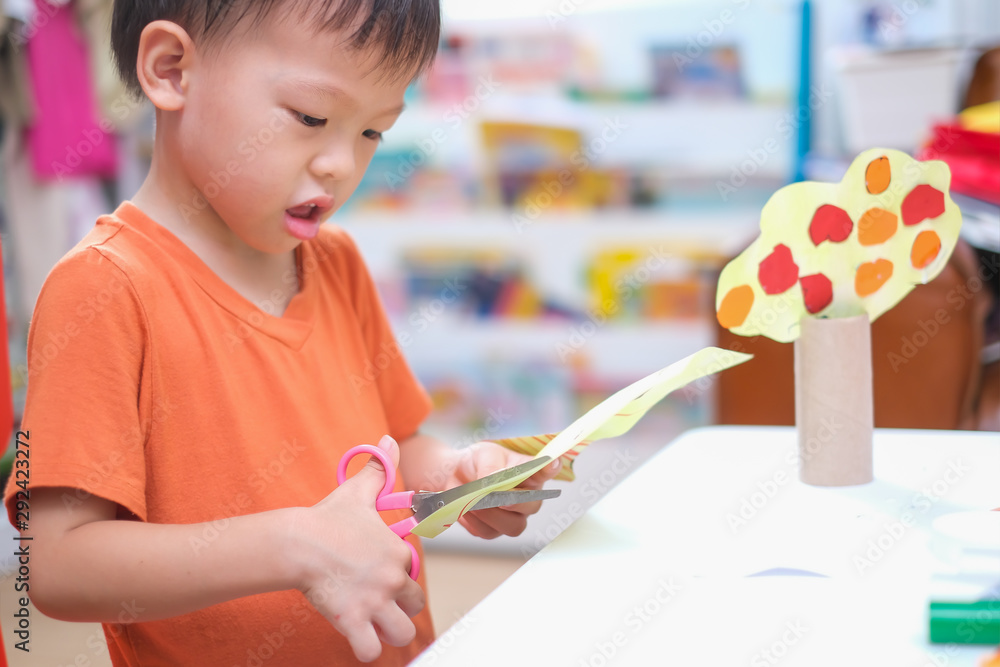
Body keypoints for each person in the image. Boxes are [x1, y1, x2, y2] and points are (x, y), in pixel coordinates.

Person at [2, 1, 561, 664]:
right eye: (312, 117)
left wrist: (461, 476)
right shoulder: (104, 288)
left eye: (372, 132)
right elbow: (59, 564)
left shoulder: (338, 263)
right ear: (172, 70)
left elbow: (400, 444)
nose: (340, 165)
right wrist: (295, 544)